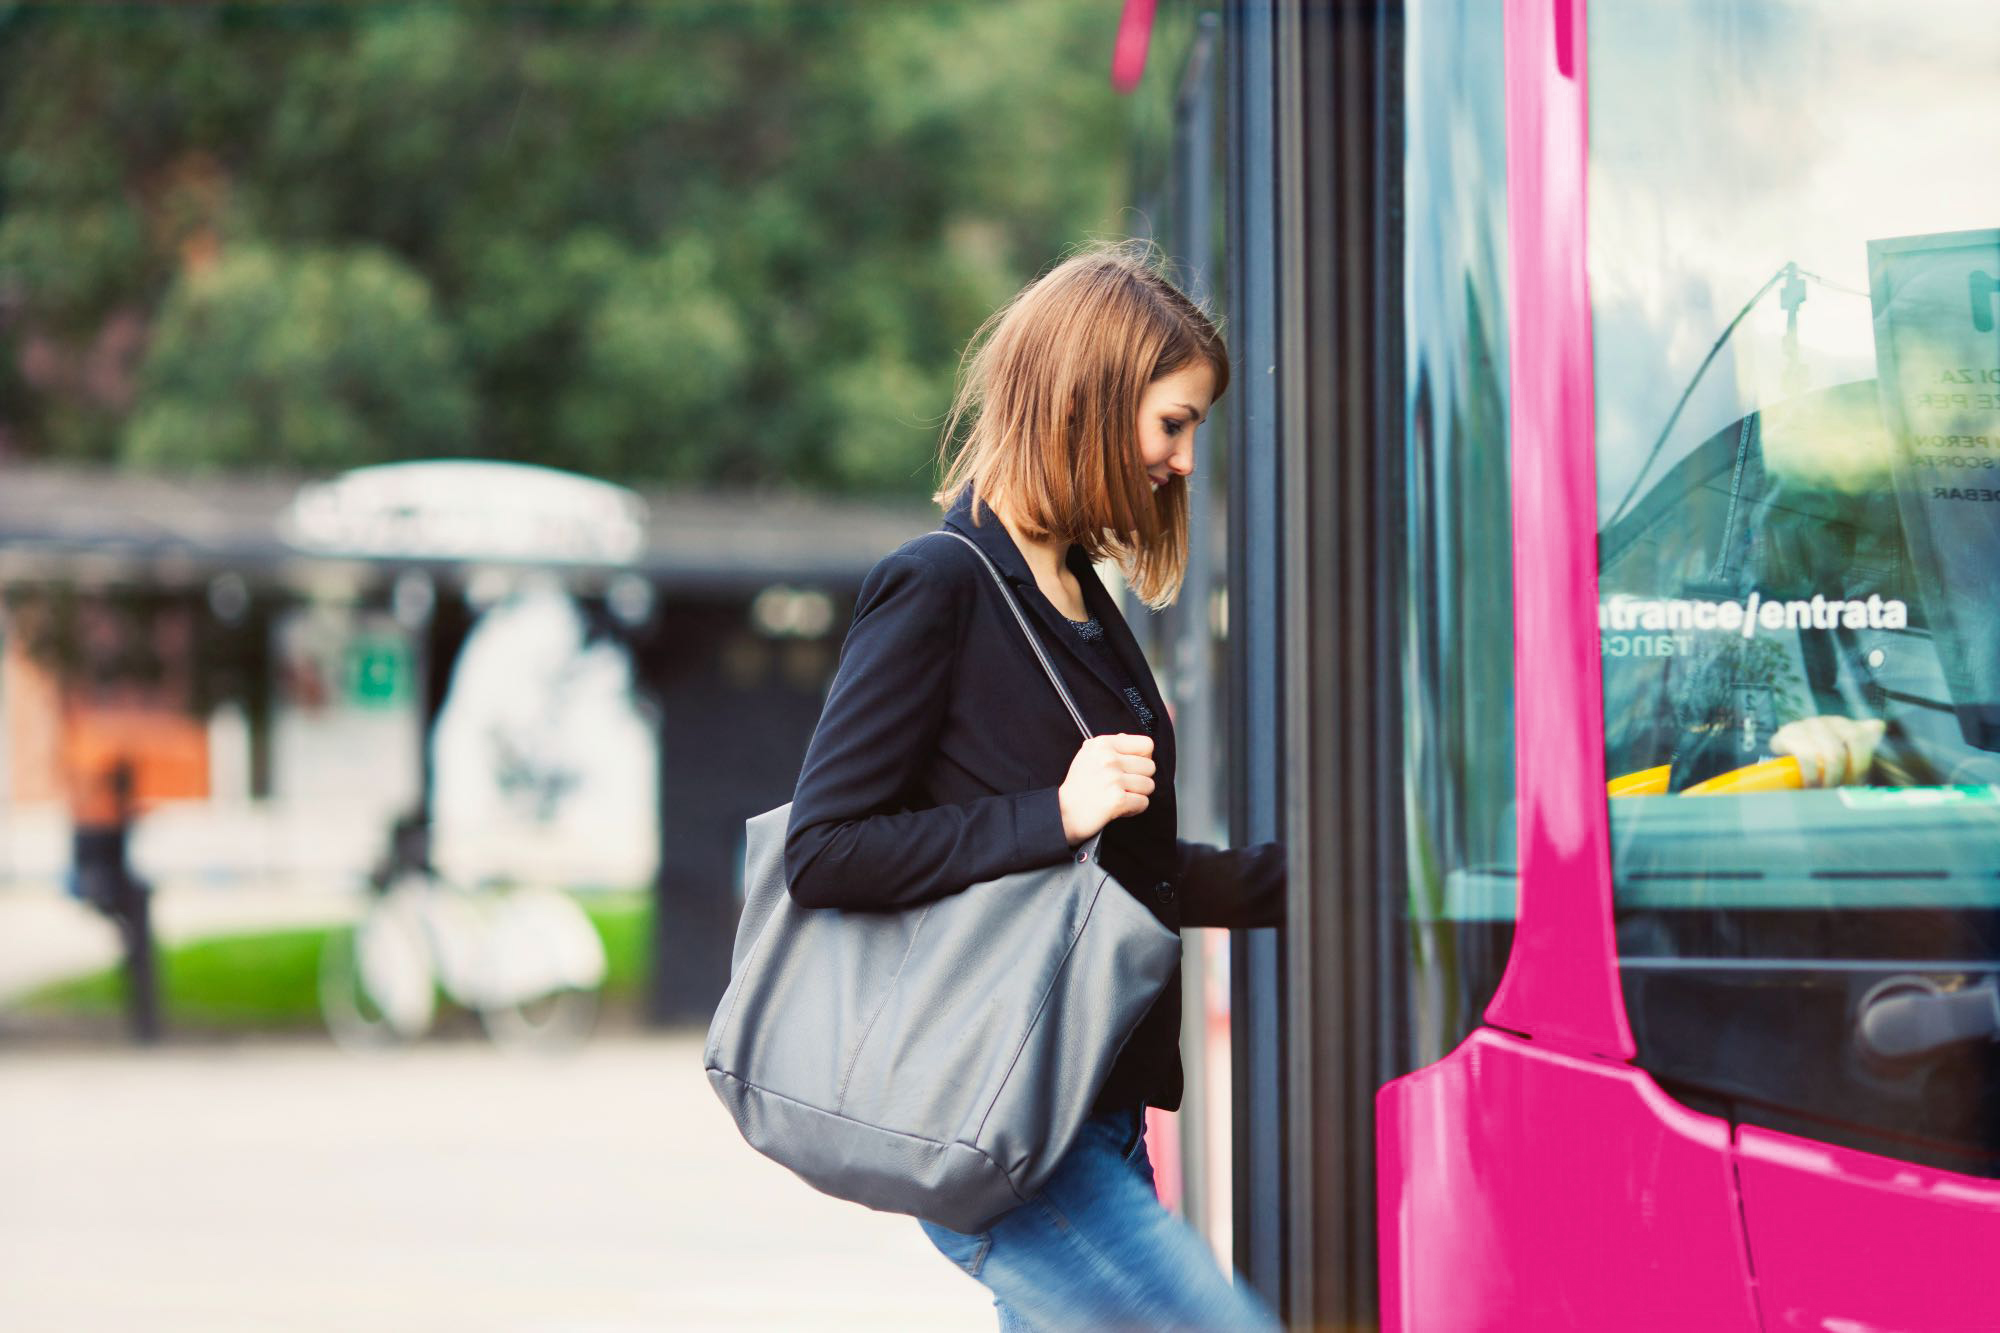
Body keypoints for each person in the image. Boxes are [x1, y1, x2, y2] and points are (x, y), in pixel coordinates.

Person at [781, 239, 1284, 1330]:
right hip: (1006, 1119)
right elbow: (823, 851)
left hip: (1087, 1111)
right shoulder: (940, 585)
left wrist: (1303, 883)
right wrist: (1049, 810)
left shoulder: (1078, 595)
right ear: (1089, 402)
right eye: (1173, 423)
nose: (1186, 460)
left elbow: (1122, 872)